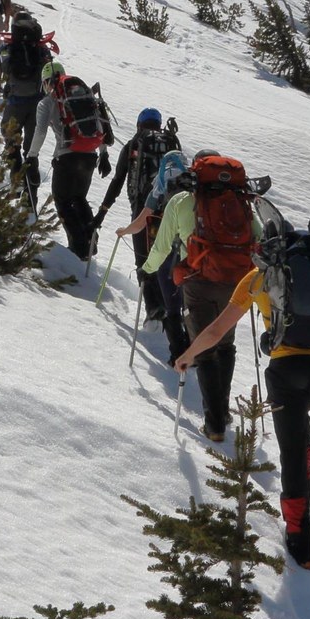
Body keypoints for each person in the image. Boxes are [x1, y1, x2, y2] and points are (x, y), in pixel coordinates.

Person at [172, 212, 310, 570]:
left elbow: (216, 331)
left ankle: (301, 541)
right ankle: (305, 482)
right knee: (298, 428)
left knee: (290, 449)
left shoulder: (256, 279)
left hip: (284, 371)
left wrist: (187, 355)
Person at [139, 152, 258, 441]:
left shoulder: (181, 201)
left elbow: (163, 244)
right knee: (225, 342)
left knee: (204, 346)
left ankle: (214, 422)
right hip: (236, 280)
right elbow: (258, 238)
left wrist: (148, 270)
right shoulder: (240, 201)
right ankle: (223, 411)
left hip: (197, 279)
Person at [97, 109, 181, 321]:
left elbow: (118, 180)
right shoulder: (171, 143)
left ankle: (153, 310)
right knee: (169, 257)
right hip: (172, 208)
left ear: (138, 124)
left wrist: (102, 211)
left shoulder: (134, 144)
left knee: (143, 260)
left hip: (143, 207)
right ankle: (172, 310)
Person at [27, 61, 113, 259]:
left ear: (47, 81)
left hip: (66, 157)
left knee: (63, 201)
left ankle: (78, 249)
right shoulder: (84, 96)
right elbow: (98, 125)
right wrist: (104, 154)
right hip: (90, 157)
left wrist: (32, 156)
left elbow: (39, 132)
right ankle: (91, 239)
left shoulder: (47, 102)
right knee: (79, 198)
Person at [117, 146, 192, 361]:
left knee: (172, 306)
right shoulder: (194, 185)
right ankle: (194, 351)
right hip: (192, 253)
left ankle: (177, 355)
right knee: (190, 304)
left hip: (166, 251)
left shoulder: (160, 187)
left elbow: (141, 222)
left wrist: (125, 231)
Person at [0, 9, 55, 208]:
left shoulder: (8, 47)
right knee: (32, 151)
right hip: (37, 105)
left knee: (11, 144)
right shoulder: (41, 48)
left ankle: (17, 183)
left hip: (15, 103)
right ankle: (31, 199)